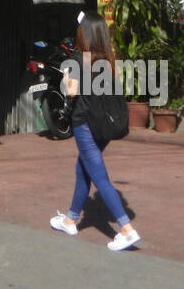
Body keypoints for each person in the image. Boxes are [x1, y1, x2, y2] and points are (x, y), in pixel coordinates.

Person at [49, 13, 142, 251]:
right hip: (105, 127)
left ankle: (126, 230)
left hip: (85, 125)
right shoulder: (108, 60)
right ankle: (70, 220)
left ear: (85, 34)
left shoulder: (80, 60)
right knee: (83, 171)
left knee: (99, 177)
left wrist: (67, 76)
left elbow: (71, 92)